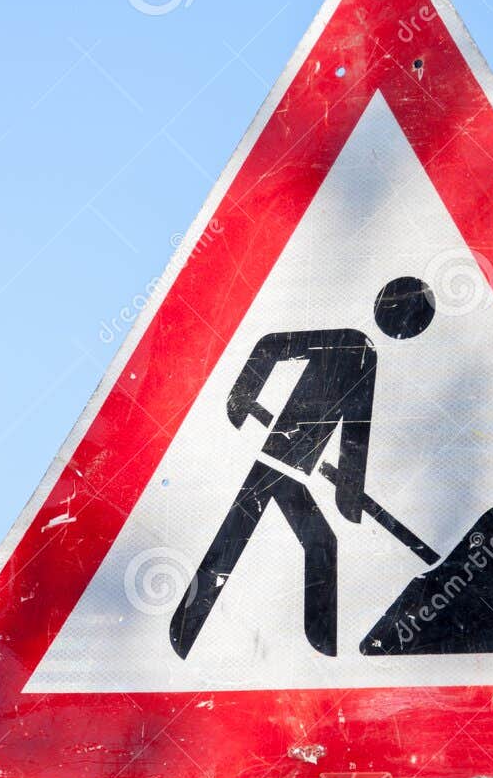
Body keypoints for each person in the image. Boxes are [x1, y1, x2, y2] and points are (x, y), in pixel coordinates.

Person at [169, 276, 436, 658]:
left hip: (297, 468)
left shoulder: (364, 353)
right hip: (274, 456)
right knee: (245, 533)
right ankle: (186, 627)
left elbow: (355, 435)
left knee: (311, 540)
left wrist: (349, 493)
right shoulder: (347, 341)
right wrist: (241, 399)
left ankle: (323, 647)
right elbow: (270, 347)